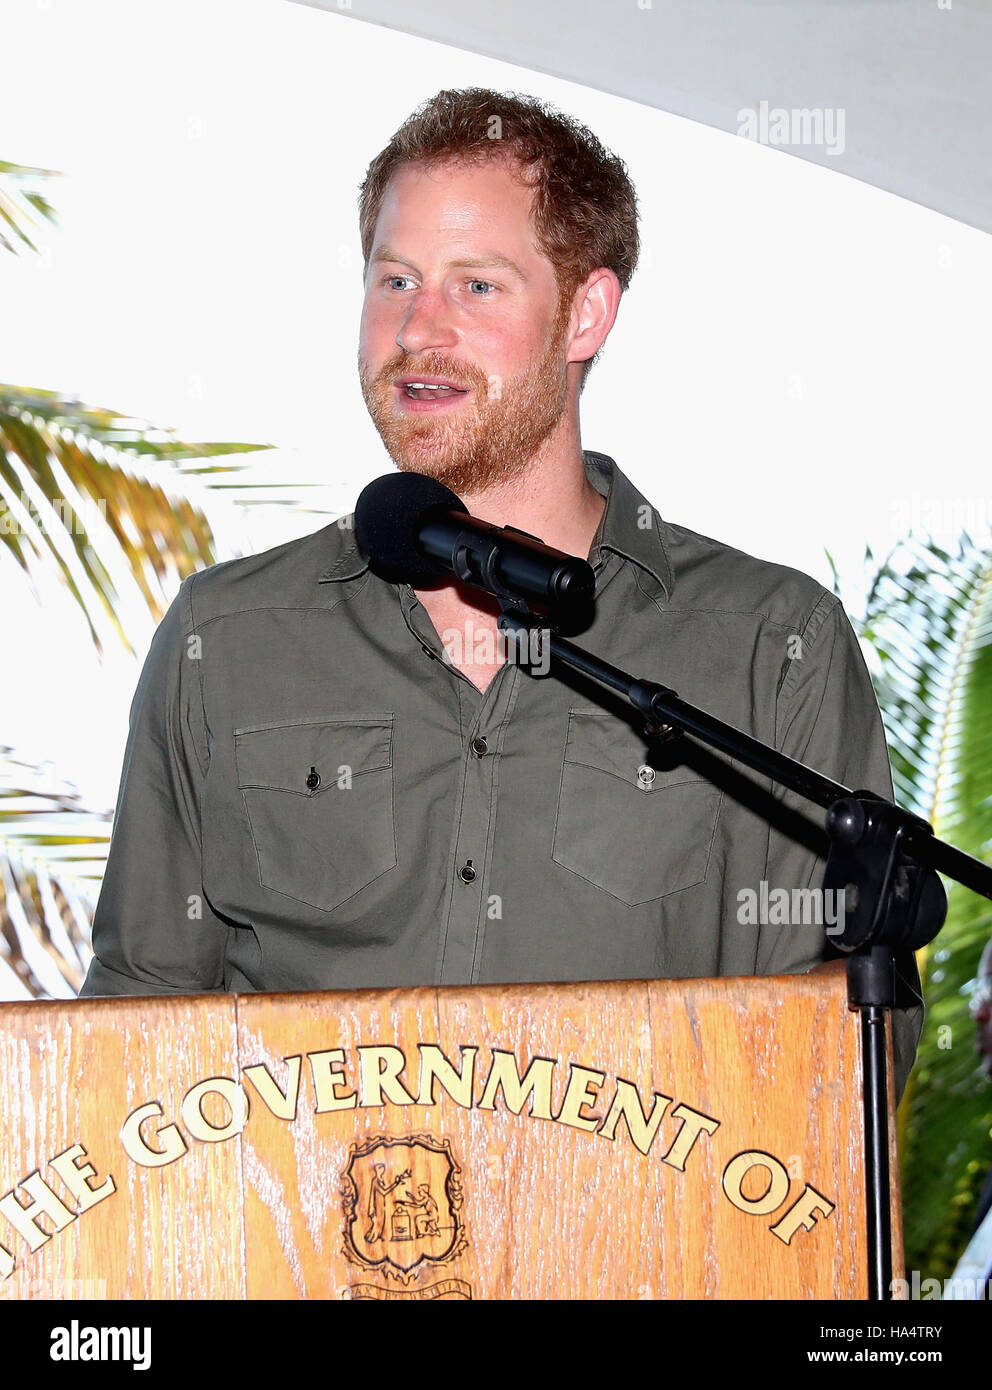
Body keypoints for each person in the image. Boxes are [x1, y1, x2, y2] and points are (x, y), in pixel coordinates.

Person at [78, 87, 921, 1098]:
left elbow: (834, 1072)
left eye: (475, 287)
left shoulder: (769, 648)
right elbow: (133, 1035)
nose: (417, 328)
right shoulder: (225, 639)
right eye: (394, 279)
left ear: (585, 313)